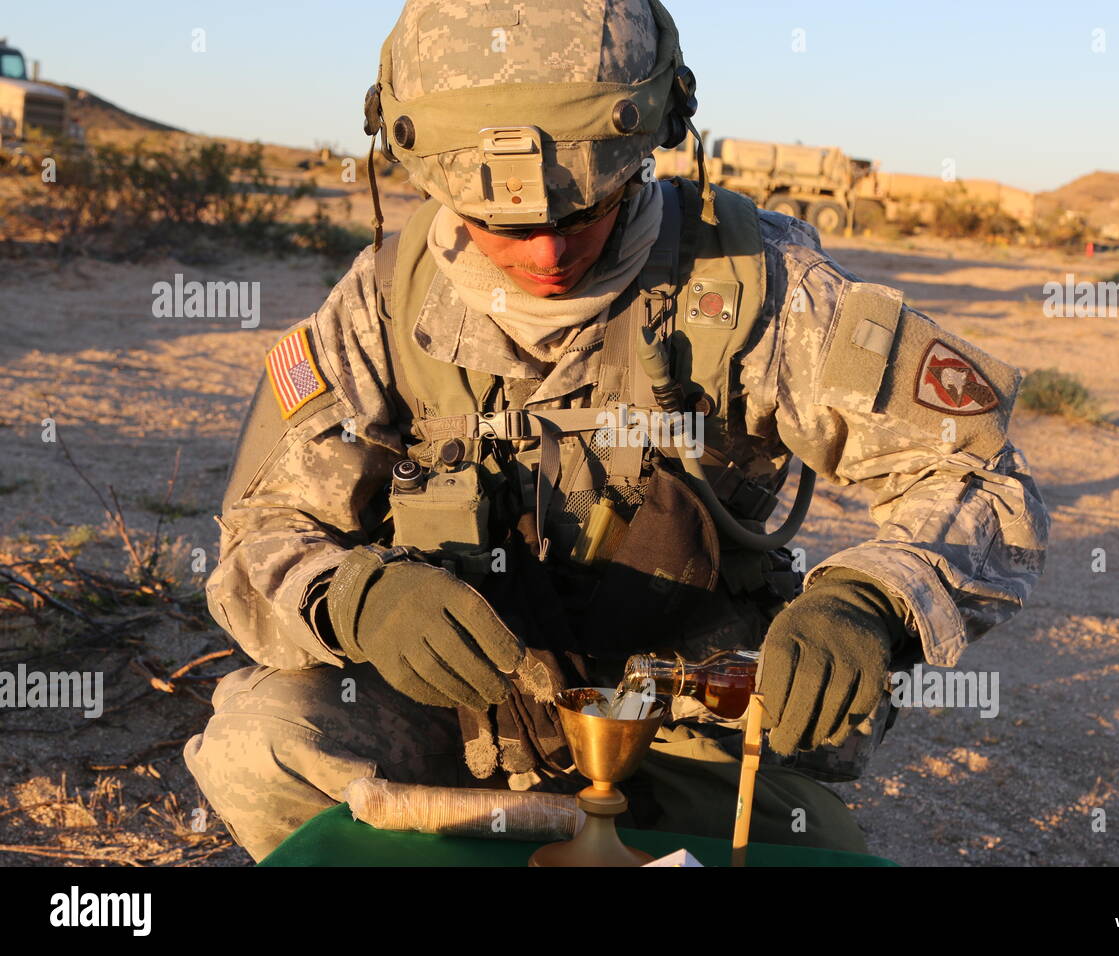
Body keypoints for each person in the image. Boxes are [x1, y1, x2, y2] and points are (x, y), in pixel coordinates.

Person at [185, 0, 1049, 863]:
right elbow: (261, 535)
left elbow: (979, 480)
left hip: (688, 719)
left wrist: (869, 599)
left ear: (648, 151)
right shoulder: (382, 303)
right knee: (261, 747)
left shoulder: (756, 284)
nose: (547, 257)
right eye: (504, 225)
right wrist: (357, 599)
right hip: (451, 706)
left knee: (811, 852)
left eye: (581, 211)